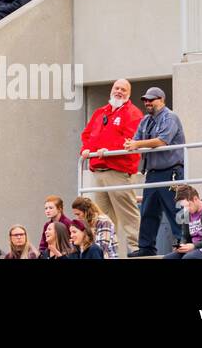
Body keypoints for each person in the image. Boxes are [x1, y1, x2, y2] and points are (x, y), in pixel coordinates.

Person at [79, 78, 142, 246]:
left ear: (129, 94)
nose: (119, 91)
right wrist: (86, 149)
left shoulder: (132, 113)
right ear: (111, 90)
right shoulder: (101, 112)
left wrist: (107, 150)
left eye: (123, 89)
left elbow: (131, 138)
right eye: (116, 88)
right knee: (102, 214)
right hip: (98, 171)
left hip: (118, 170)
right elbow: (87, 134)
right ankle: (104, 248)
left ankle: (135, 248)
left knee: (127, 212)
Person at [126, 86, 186, 257]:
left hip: (171, 172)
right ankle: (146, 248)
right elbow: (135, 140)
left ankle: (181, 245)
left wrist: (136, 145)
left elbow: (162, 141)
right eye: (145, 100)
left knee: (175, 209)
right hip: (152, 173)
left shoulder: (170, 117)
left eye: (151, 99)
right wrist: (132, 144)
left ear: (162, 99)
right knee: (148, 211)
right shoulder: (145, 120)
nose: (147, 103)